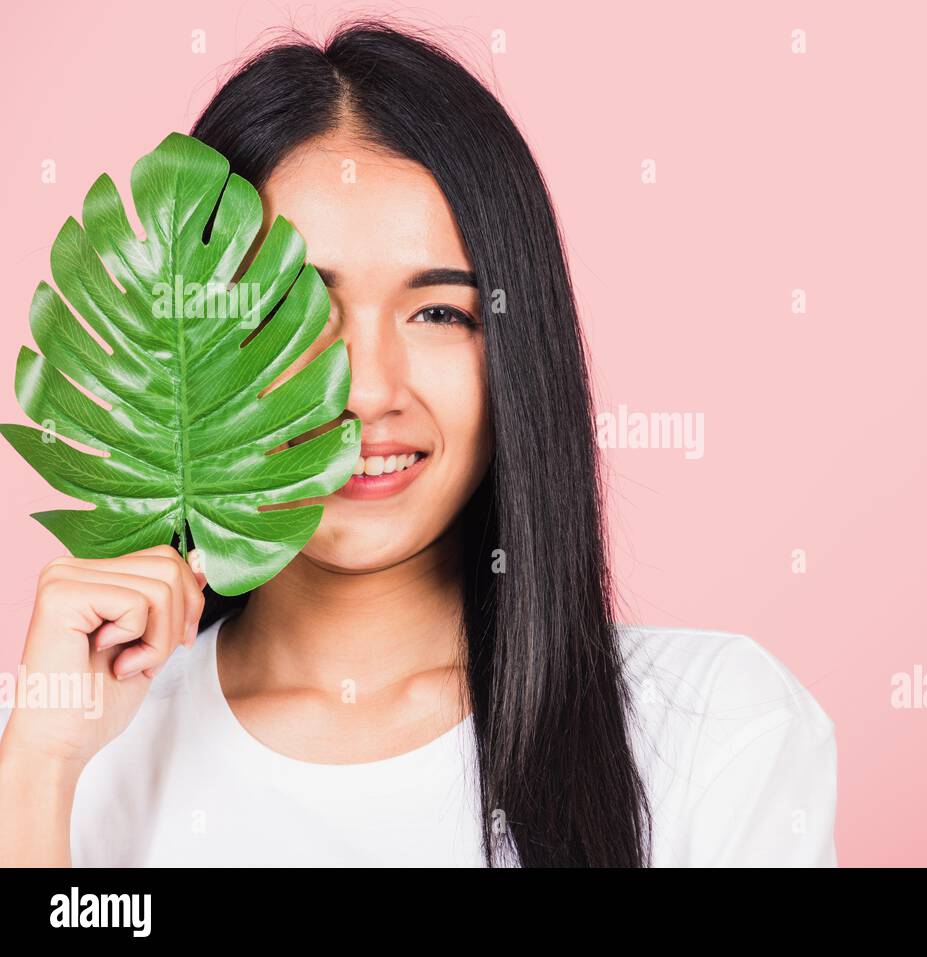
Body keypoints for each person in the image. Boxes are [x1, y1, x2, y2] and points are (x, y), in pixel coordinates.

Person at [0, 20, 836, 867]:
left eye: (439, 313)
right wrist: (38, 771)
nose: (368, 390)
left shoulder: (716, 732)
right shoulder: (55, 746)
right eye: (297, 312)